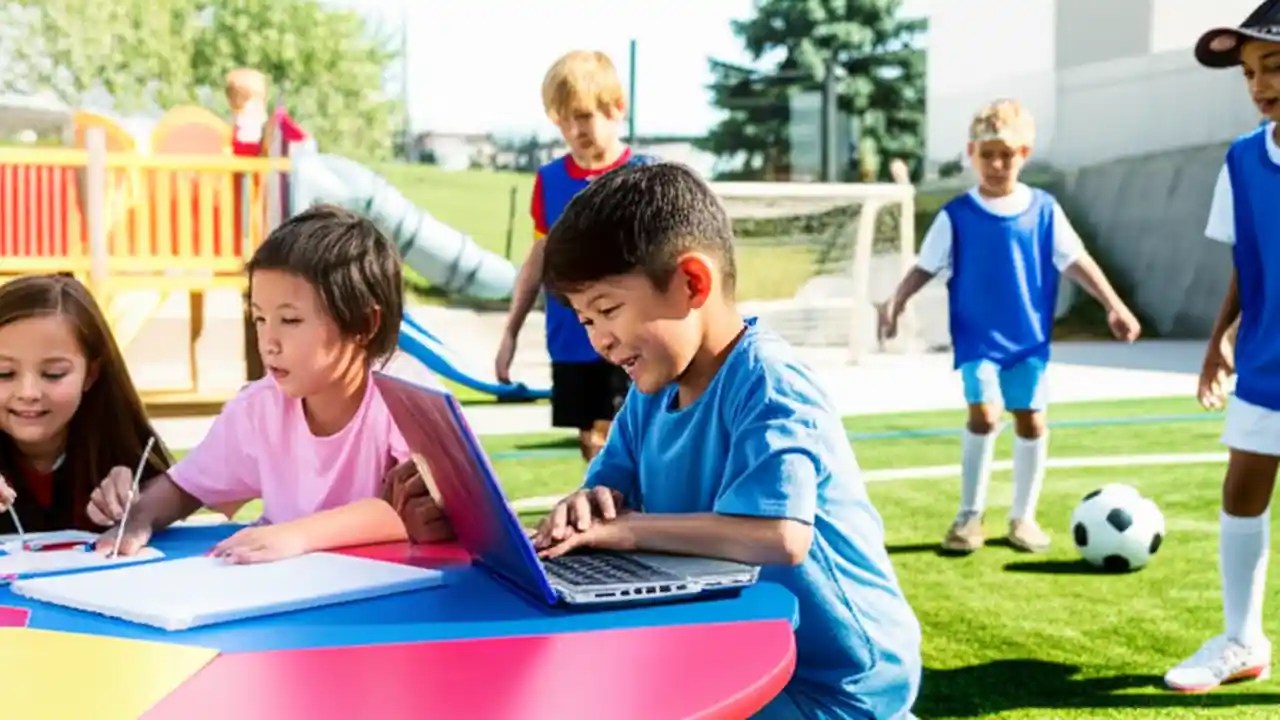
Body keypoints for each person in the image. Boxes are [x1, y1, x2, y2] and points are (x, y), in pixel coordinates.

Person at [531, 162, 921, 719]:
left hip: (837, 681)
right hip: (743, 651)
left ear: (692, 283)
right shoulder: (648, 393)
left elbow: (779, 535)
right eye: (586, 320)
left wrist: (629, 530)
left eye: (608, 311)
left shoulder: (768, 380)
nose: (600, 340)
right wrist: (586, 509)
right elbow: (609, 492)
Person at [90, 204, 452, 562]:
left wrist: (295, 536)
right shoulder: (261, 406)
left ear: (364, 323)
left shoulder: (408, 397)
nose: (268, 342)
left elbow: (425, 510)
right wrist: (138, 517)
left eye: (290, 320)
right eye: (260, 319)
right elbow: (186, 485)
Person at [878, 98, 1141, 554]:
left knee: (1032, 421)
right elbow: (925, 265)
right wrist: (897, 300)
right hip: (978, 339)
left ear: (1024, 153)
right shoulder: (956, 215)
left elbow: (1076, 260)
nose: (997, 164)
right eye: (987, 154)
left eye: (1007, 153)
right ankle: (969, 516)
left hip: (1028, 341)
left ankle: (1023, 518)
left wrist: (1114, 305)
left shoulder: (1043, 210)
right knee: (985, 413)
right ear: (971, 152)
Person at [1164, 0, 1280, 693]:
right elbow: (1249, 260)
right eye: (1248, 74)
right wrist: (1219, 340)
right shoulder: (1241, 160)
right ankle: (1242, 639)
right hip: (1268, 365)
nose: (1261, 84)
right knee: (1242, 489)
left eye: (1274, 66)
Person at [495, 50, 655, 462]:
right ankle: (604, 516)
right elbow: (538, 257)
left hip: (633, 335)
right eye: (563, 119)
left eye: (582, 116)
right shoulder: (549, 181)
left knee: (631, 435)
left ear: (617, 109)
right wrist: (510, 333)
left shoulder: (645, 176)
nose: (573, 129)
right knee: (592, 443)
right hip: (572, 338)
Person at [0, 274, 172, 534]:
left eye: (53, 374)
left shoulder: (122, 452)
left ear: (90, 374)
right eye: (4, 373)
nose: (28, 392)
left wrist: (142, 502)